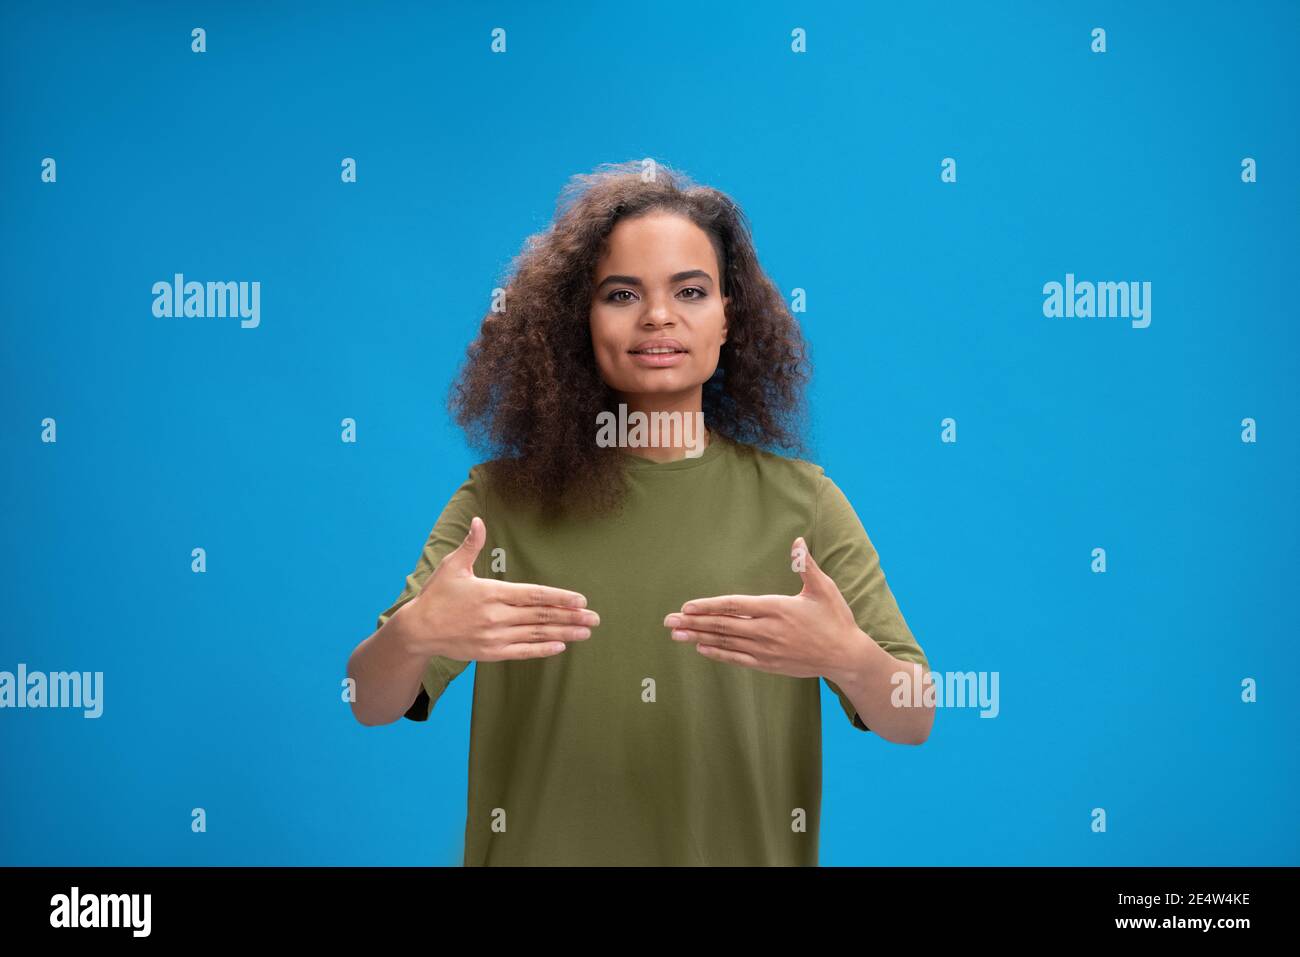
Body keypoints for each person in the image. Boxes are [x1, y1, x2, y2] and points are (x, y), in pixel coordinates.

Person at [346, 160, 934, 866]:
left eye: (691, 290)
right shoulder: (495, 504)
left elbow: (913, 715)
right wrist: (414, 634)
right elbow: (369, 699)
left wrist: (849, 657)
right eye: (622, 293)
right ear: (576, 322)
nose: (659, 315)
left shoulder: (805, 505)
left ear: (728, 320)